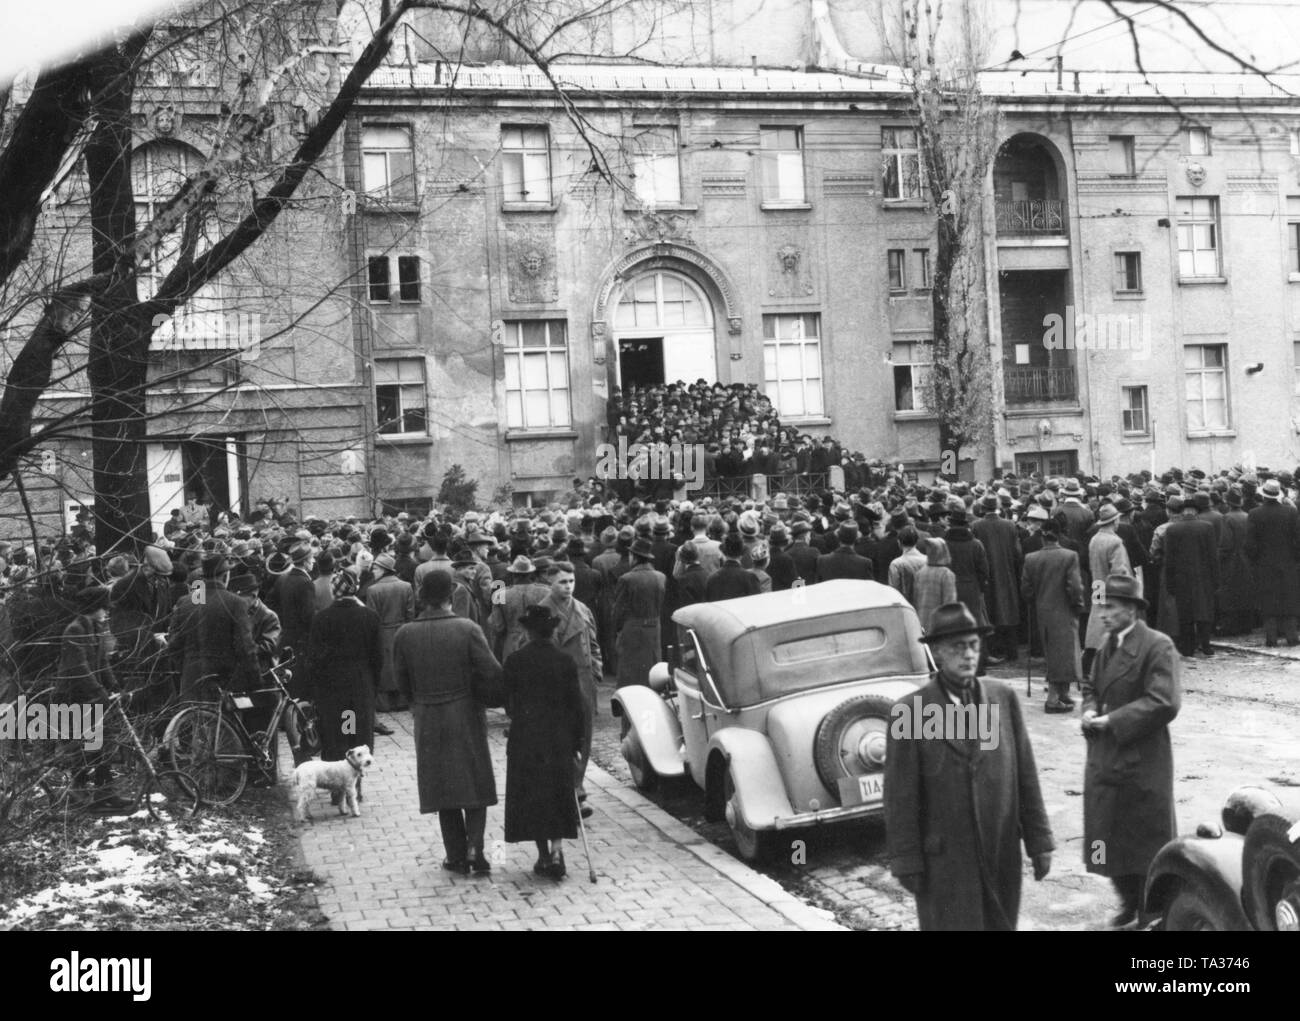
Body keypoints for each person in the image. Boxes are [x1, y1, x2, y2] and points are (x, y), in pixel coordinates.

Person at [883, 602, 1054, 930]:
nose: (968, 655)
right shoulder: (912, 712)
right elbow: (900, 796)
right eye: (957, 647)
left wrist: (1039, 841)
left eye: (974, 645)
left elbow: (1025, 776)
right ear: (937, 652)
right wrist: (906, 861)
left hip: (999, 854)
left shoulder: (1001, 698)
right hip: (945, 866)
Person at [1082, 573, 1181, 929]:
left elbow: (1165, 701)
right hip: (1105, 758)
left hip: (1142, 759)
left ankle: (1149, 909)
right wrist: (1089, 709)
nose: (1103, 614)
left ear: (1133, 610)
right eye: (1101, 606)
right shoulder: (1106, 645)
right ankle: (1126, 901)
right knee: (1104, 837)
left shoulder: (1158, 645)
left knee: (1143, 840)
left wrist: (1114, 720)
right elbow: (1090, 685)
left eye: (1110, 607)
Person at [393, 571, 503, 876]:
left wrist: (419, 702)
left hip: (427, 717)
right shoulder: (467, 629)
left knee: (443, 786)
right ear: (450, 596)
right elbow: (492, 672)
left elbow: (401, 682)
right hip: (465, 713)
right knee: (475, 782)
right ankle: (475, 851)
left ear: (422, 597)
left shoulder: (405, 634)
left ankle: (454, 854)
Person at [502, 605, 585, 880]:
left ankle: (542, 856)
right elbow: (576, 705)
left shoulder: (515, 660)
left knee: (533, 795)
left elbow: (509, 703)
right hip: (559, 737)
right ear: (553, 630)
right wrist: (577, 743)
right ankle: (558, 849)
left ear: (527, 630)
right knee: (558, 792)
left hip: (526, 736)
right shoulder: (565, 661)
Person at [535, 562, 602, 817]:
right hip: (556, 685)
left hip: (583, 682)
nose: (568, 586)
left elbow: (594, 644)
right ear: (549, 581)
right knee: (562, 740)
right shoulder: (541, 611)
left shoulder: (582, 609)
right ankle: (573, 794)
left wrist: (595, 671)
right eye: (562, 582)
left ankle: (577, 788)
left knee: (584, 738)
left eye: (571, 581)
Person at [307, 567, 381, 774]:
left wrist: (316, 689)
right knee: (356, 732)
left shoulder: (322, 618)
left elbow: (314, 658)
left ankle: (336, 782)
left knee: (337, 733)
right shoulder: (370, 616)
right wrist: (373, 685)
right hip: (360, 685)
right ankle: (354, 783)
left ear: (334, 591)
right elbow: (377, 658)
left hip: (332, 688)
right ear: (355, 589)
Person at [1020, 523, 1085, 713]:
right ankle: (1053, 699)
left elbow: (1026, 589)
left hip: (1043, 610)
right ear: (1059, 536)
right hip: (1064, 608)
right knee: (1064, 653)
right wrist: (1078, 604)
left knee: (1055, 652)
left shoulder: (1031, 558)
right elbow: (1075, 586)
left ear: (1042, 537)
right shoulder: (1069, 556)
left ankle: (1063, 693)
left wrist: (1036, 600)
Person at [1244, 478, 1300, 646]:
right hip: (1287, 562)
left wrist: (1255, 560)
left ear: (1263, 495)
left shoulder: (1254, 514)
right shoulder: (1291, 512)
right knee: (1288, 599)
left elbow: (1249, 544)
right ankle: (1292, 637)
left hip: (1264, 564)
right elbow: (1298, 539)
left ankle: (1271, 638)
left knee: (1268, 601)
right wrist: (1295, 559)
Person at [1163, 494, 1219, 656]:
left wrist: (1170, 583)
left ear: (1182, 512)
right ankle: (1206, 645)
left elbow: (1169, 559)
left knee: (1185, 614)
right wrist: (1216, 580)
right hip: (1204, 577)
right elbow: (1212, 557)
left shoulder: (1172, 529)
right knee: (1204, 611)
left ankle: (1188, 648)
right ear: (1195, 511)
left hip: (1181, 579)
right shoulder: (1207, 527)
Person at [364, 551, 414, 725]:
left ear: (384, 569)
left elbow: (372, 616)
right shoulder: (406, 586)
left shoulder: (373, 590)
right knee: (401, 664)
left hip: (382, 630)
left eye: (376, 568)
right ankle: (402, 700)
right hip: (401, 628)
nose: (373, 571)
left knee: (385, 667)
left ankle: (385, 702)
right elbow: (410, 613)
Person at [612, 538, 665, 687]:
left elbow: (618, 610)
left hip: (632, 629)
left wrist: (616, 631)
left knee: (630, 674)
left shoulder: (626, 579)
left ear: (634, 557)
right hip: (654, 627)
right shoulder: (661, 577)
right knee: (652, 669)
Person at [913, 537, 958, 634]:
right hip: (940, 625)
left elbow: (916, 599)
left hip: (922, 622)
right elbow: (950, 603)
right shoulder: (947, 574)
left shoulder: (920, 573)